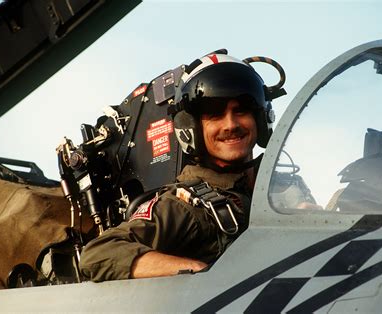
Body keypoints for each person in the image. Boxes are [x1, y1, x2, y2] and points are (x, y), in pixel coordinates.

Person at [79, 52, 282, 282]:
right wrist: (199, 273)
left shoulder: (275, 185)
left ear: (260, 118)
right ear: (191, 128)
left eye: (241, 111)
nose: (231, 124)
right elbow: (99, 253)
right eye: (215, 114)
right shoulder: (185, 205)